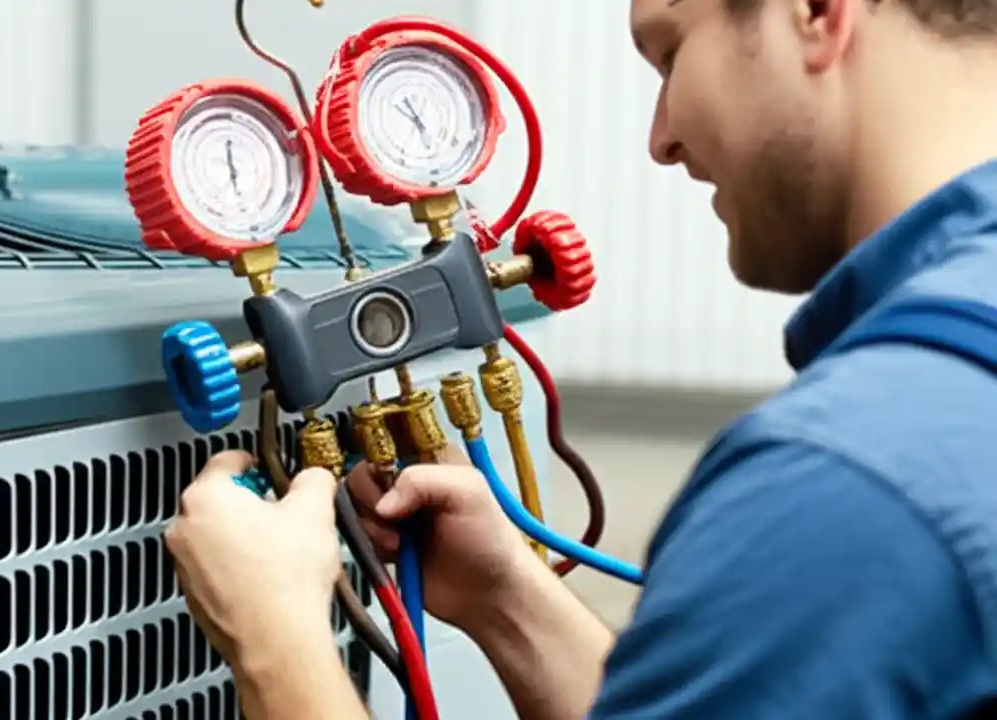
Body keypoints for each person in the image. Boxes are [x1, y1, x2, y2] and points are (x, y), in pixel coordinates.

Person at [162, 0, 997, 716]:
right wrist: (507, 602)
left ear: (816, 11)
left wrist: (277, 646)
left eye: (670, 53)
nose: (660, 139)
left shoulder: (848, 482)